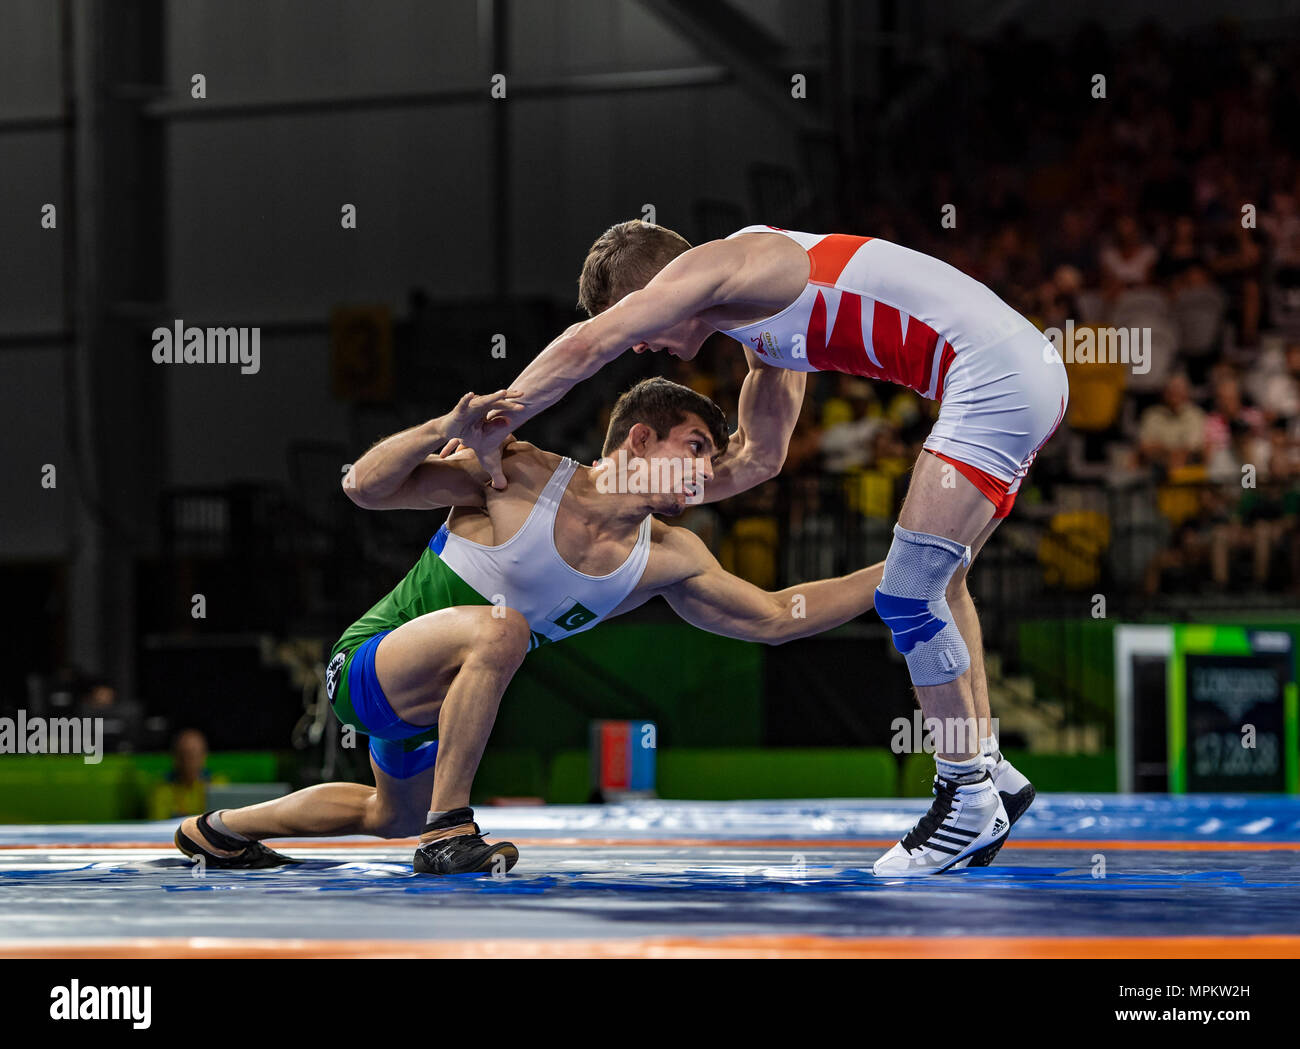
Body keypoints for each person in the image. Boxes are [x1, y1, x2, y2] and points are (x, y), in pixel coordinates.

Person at [472, 220, 1065, 874]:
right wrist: (629, 491)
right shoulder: (760, 330)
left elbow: (592, 343)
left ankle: (964, 795)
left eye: (637, 318)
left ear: (659, 285)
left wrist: (492, 424)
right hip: (1016, 373)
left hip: (997, 376)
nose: (642, 345)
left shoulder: (734, 259)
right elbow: (756, 461)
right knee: (940, 583)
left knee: (909, 592)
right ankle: (985, 768)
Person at [175, 379, 895, 875]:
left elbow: (774, 618)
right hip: (366, 666)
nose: (707, 471)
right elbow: (363, 486)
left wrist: (899, 572)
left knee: (387, 812)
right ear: (639, 439)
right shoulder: (519, 475)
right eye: (698, 447)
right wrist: (442, 430)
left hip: (434, 702)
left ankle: (221, 831)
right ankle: (449, 827)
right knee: (504, 629)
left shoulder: (668, 557)